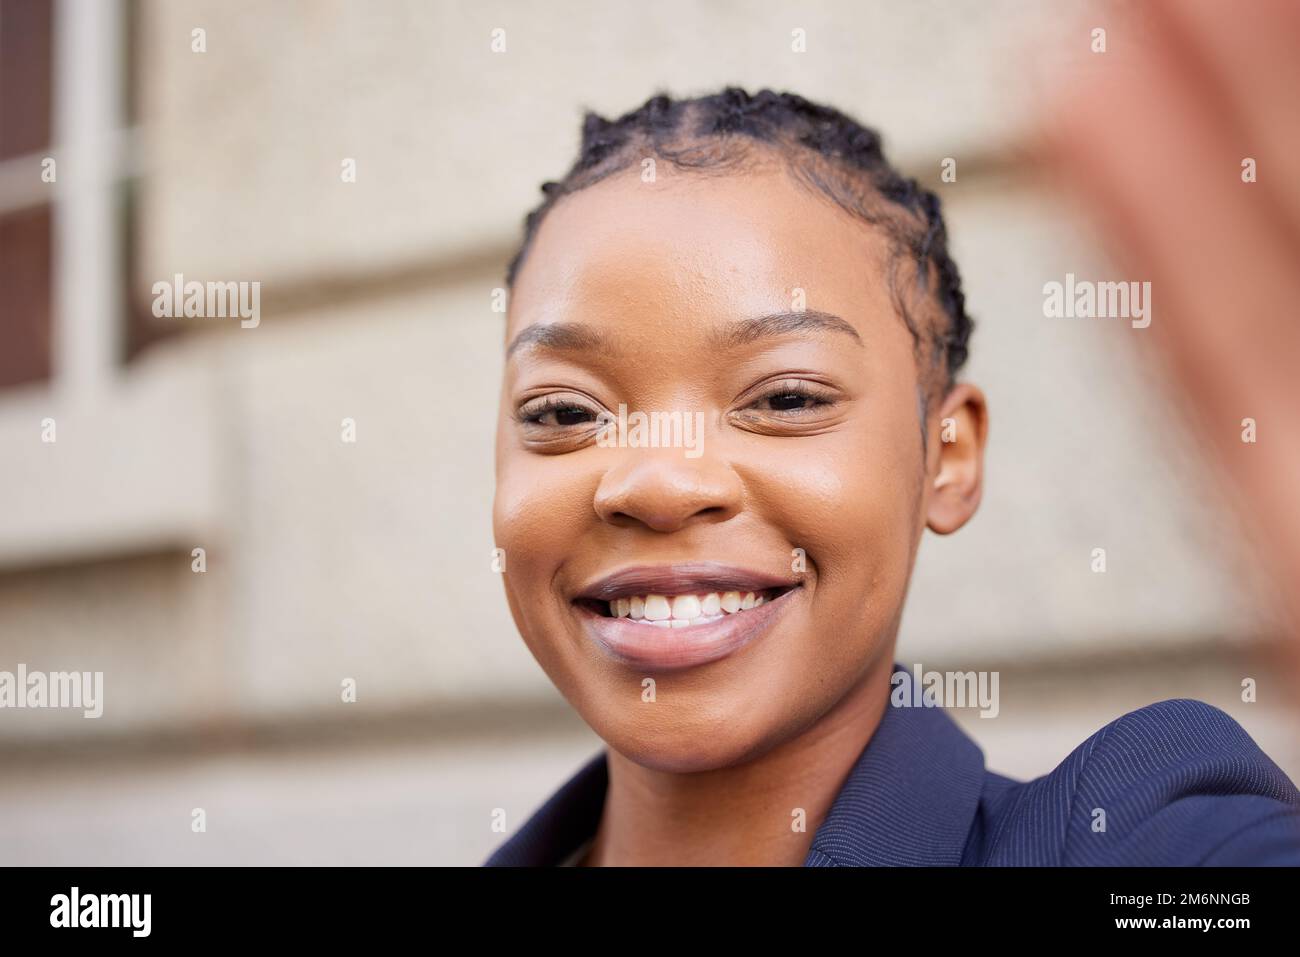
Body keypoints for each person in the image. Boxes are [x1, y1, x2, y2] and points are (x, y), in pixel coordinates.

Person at [483, 81, 1300, 866]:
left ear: (948, 456)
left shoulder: (1130, 840)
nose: (657, 483)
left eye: (788, 396)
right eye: (563, 412)